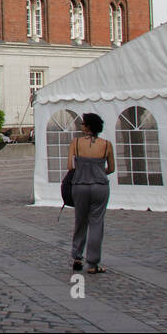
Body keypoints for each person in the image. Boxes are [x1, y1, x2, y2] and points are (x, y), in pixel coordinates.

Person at [69, 112, 115, 274]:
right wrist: (98, 173)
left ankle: (77, 257)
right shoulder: (107, 144)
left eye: (83, 124)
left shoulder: (75, 143)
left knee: (80, 221)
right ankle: (93, 264)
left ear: (88, 126)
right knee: (97, 223)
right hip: (100, 186)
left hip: (80, 185)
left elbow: (70, 167)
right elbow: (111, 168)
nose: (81, 126)